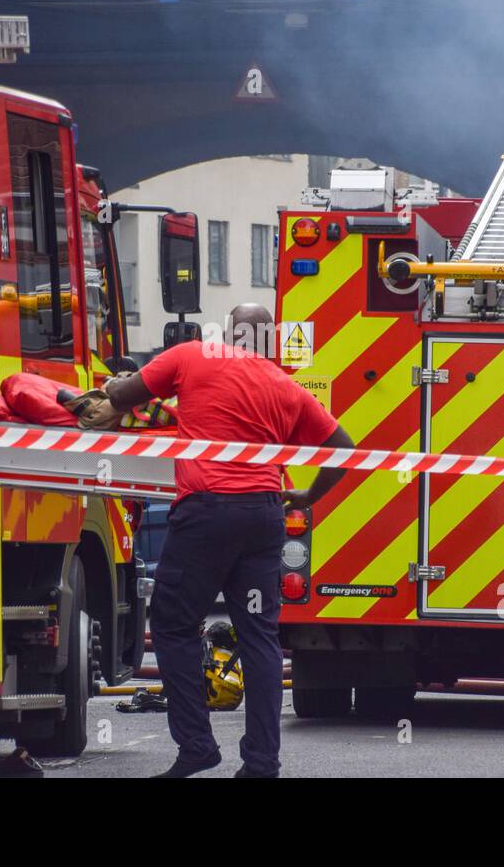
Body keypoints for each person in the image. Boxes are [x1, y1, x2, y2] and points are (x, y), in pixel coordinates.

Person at [104, 304, 354, 778]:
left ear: (231, 331)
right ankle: (262, 762)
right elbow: (344, 449)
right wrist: (305, 495)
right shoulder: (286, 386)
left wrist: (113, 386)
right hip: (263, 518)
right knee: (259, 637)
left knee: (174, 625)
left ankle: (197, 745)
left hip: (206, 515)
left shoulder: (191, 355)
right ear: (268, 339)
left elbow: (125, 397)